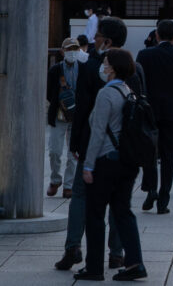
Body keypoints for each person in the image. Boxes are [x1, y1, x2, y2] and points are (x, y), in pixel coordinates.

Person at [57, 16, 133, 275]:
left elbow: (81, 108)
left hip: (92, 141)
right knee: (119, 200)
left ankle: (73, 246)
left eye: (97, 35)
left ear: (107, 41)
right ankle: (116, 253)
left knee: (80, 194)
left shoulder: (90, 67)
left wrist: (76, 140)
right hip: (122, 146)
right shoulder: (133, 67)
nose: (94, 39)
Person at [78, 47, 149, 283]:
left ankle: (94, 267)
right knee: (123, 212)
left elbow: (98, 132)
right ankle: (135, 262)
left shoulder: (106, 94)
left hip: (106, 161)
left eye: (106, 63)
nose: (103, 66)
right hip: (127, 162)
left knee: (95, 214)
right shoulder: (128, 91)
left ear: (114, 68)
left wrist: (88, 166)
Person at [136, 19, 173, 214]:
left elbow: (137, 81)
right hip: (172, 109)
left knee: (148, 151)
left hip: (149, 110)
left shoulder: (144, 55)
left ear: (157, 35)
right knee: (169, 154)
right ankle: (164, 198)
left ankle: (151, 189)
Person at [48, 37, 83, 197]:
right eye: (69, 49)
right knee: (54, 150)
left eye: (75, 49)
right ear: (62, 51)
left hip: (77, 115)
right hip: (59, 114)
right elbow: (48, 92)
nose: (72, 53)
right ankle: (55, 179)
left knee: (73, 152)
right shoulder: (55, 70)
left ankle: (69, 184)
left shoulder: (83, 68)